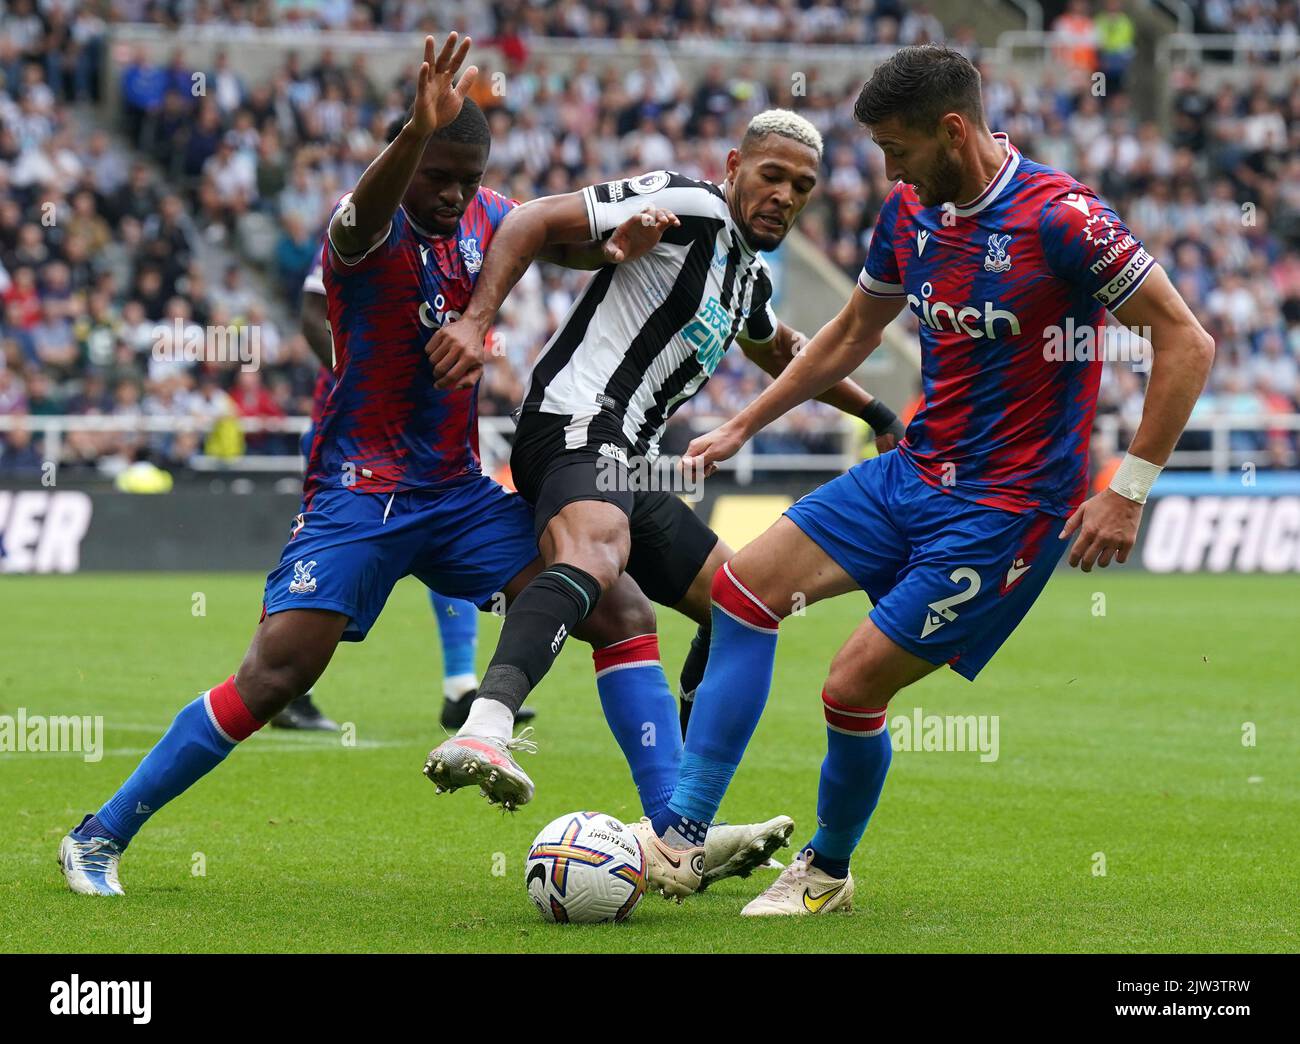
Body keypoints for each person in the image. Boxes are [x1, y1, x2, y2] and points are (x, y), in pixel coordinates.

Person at [58, 34, 787, 896]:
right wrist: (412, 135)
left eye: (464, 180)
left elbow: (557, 241)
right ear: (406, 162)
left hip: (454, 489)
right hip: (359, 491)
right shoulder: (366, 224)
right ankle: (99, 835)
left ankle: (671, 836)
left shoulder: (483, 216)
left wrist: (617, 245)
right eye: (435, 176)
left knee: (618, 603)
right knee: (278, 673)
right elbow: (361, 220)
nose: (450, 196)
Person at [629, 45, 1216, 913]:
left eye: (896, 149)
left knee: (850, 686)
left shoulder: (1063, 220)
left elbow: (1186, 340)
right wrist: (745, 421)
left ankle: (826, 872)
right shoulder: (911, 213)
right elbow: (851, 334)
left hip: (1005, 511)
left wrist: (1126, 488)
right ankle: (682, 835)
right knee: (743, 595)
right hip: (910, 474)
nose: (886, 168)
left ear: (952, 130)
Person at [423, 108, 904, 816]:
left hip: (625, 459)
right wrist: (475, 321)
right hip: (574, 420)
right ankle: (485, 725)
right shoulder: (688, 205)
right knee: (599, 551)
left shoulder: (747, 280)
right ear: (736, 168)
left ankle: (682, 813)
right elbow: (527, 221)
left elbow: (783, 355)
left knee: (741, 601)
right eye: (771, 176)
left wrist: (880, 416)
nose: (786, 196)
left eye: (802, 186)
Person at [272, 237, 534, 732]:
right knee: (317, 564)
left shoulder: (463, 238)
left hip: (427, 443)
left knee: (450, 539)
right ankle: (285, 686)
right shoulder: (361, 222)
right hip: (352, 440)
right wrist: (358, 377)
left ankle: (460, 687)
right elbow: (311, 311)